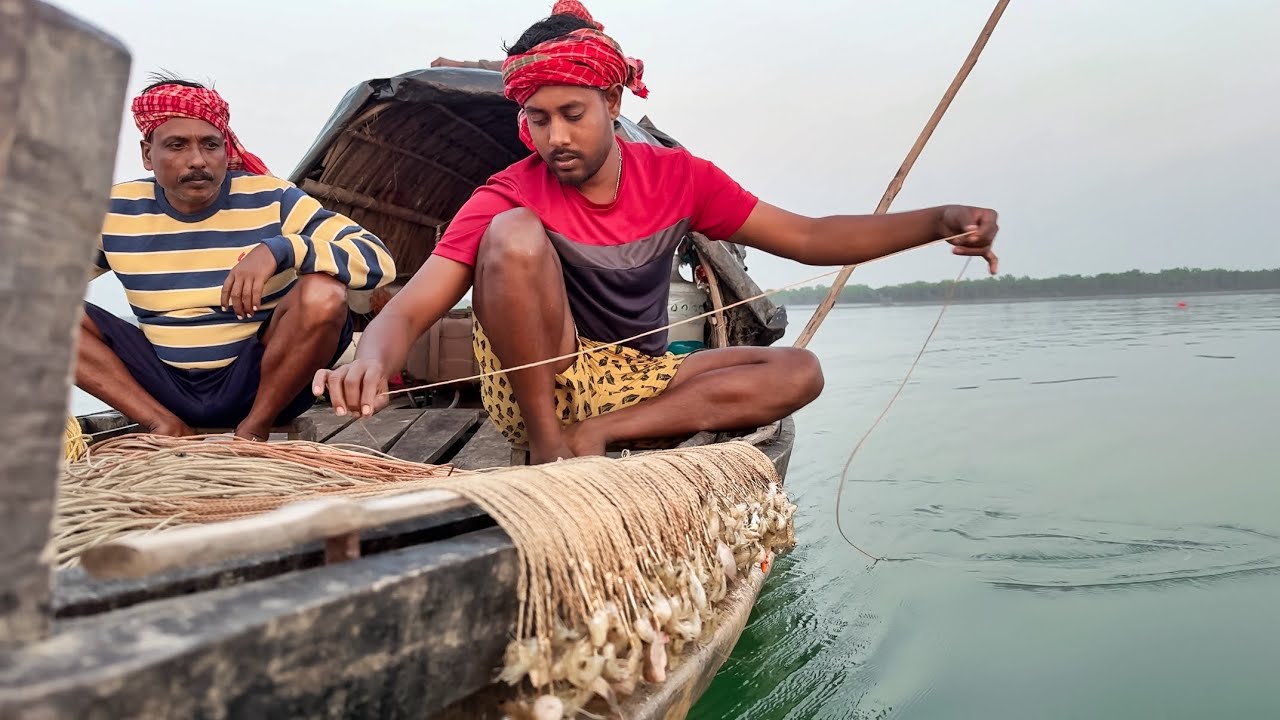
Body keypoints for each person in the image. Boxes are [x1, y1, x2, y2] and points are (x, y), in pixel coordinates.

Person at [314, 1, 1000, 464]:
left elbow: (812, 236)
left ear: (612, 103)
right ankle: (555, 451)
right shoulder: (510, 190)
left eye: (573, 113)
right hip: (540, 386)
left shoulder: (678, 177)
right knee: (513, 234)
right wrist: (373, 354)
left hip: (639, 379)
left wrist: (935, 223)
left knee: (800, 370)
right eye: (537, 119)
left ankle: (598, 436)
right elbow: (411, 305)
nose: (555, 137)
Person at [79, 74, 396, 441]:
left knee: (323, 293)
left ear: (226, 150)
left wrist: (282, 248)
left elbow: (377, 260)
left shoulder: (272, 200)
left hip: (260, 385)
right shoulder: (116, 212)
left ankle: (253, 431)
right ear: (148, 154)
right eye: (177, 145)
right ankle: (162, 425)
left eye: (210, 145)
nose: (197, 160)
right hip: (162, 387)